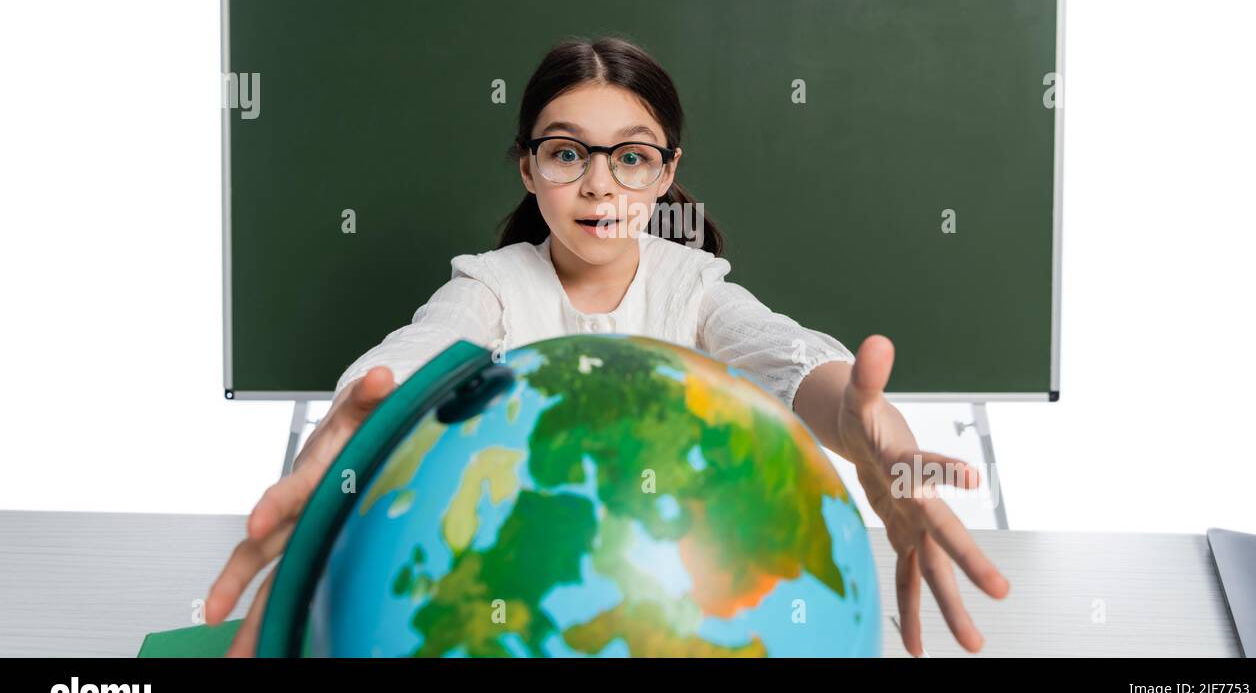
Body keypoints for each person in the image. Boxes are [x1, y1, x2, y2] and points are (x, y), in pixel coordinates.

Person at [205, 35, 1010, 657]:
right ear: (528, 168)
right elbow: (429, 344)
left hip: (678, 604)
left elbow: (785, 355)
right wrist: (363, 410)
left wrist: (872, 429)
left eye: (630, 158)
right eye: (566, 153)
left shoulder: (691, 290)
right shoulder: (495, 287)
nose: (598, 185)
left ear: (665, 173)